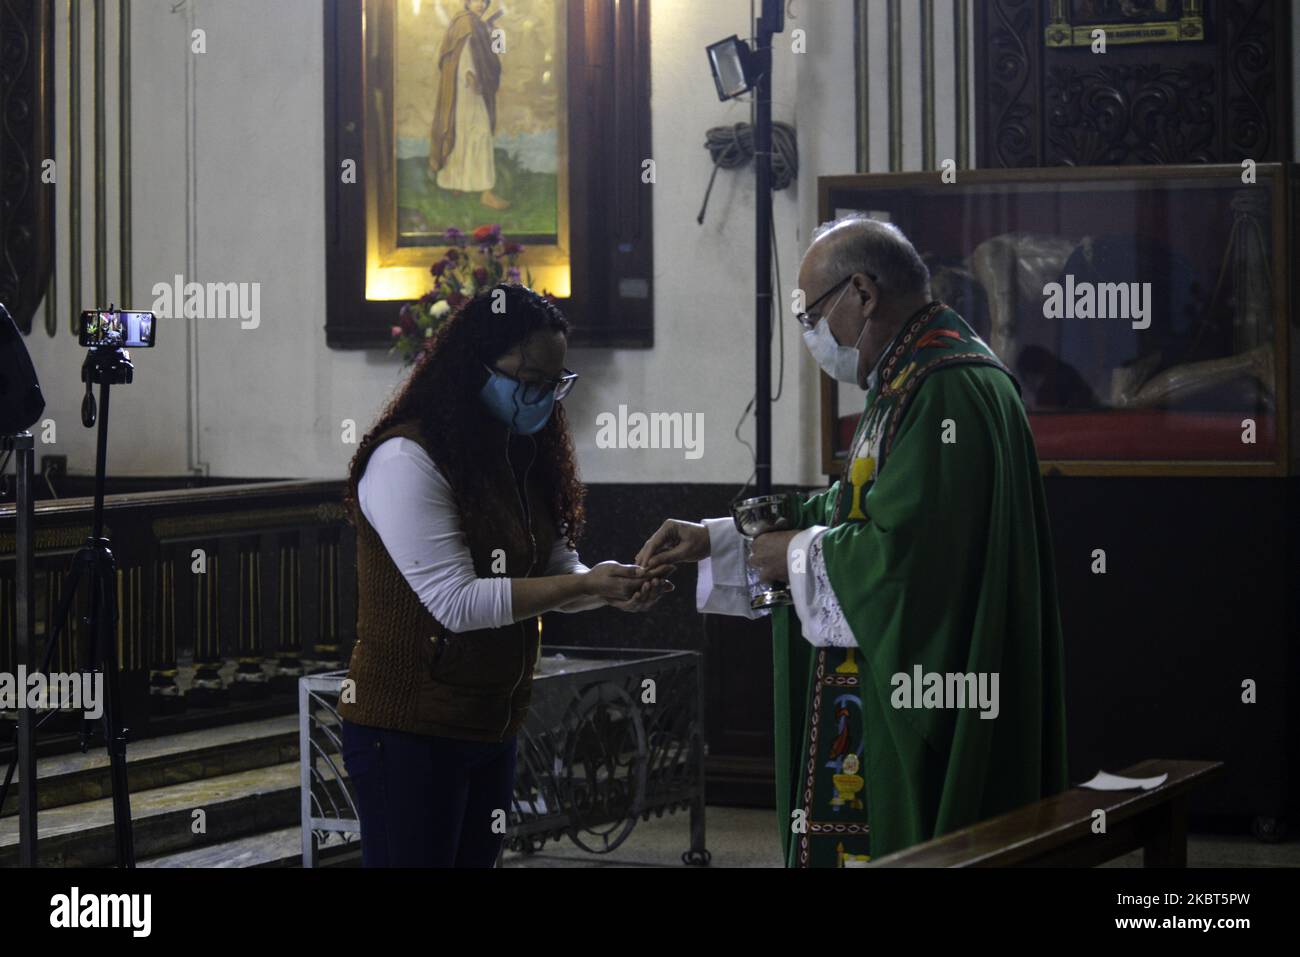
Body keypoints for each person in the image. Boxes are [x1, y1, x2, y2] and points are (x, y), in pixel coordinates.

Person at [636, 215, 1068, 867]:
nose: (812, 334)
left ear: (863, 294)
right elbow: (854, 508)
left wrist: (795, 555)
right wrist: (720, 539)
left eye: (812, 314)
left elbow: (910, 564)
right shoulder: (906, 378)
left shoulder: (945, 386)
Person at [339, 283, 670, 867]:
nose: (542, 397)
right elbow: (457, 603)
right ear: (474, 365)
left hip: (490, 721)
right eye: (529, 379)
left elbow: (558, 571)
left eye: (555, 383)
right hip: (407, 728)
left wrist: (609, 587)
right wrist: (585, 586)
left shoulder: (522, 454)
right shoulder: (406, 458)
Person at [428, 0, 510, 210]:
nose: (481, 4)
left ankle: (473, 188)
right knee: (465, 133)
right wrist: (469, 75)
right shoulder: (464, 23)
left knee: (474, 133)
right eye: (476, 0)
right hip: (465, 90)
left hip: (473, 90)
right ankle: (463, 185)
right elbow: (457, 57)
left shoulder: (479, 24)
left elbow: (492, 57)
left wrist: (494, 33)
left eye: (484, 1)